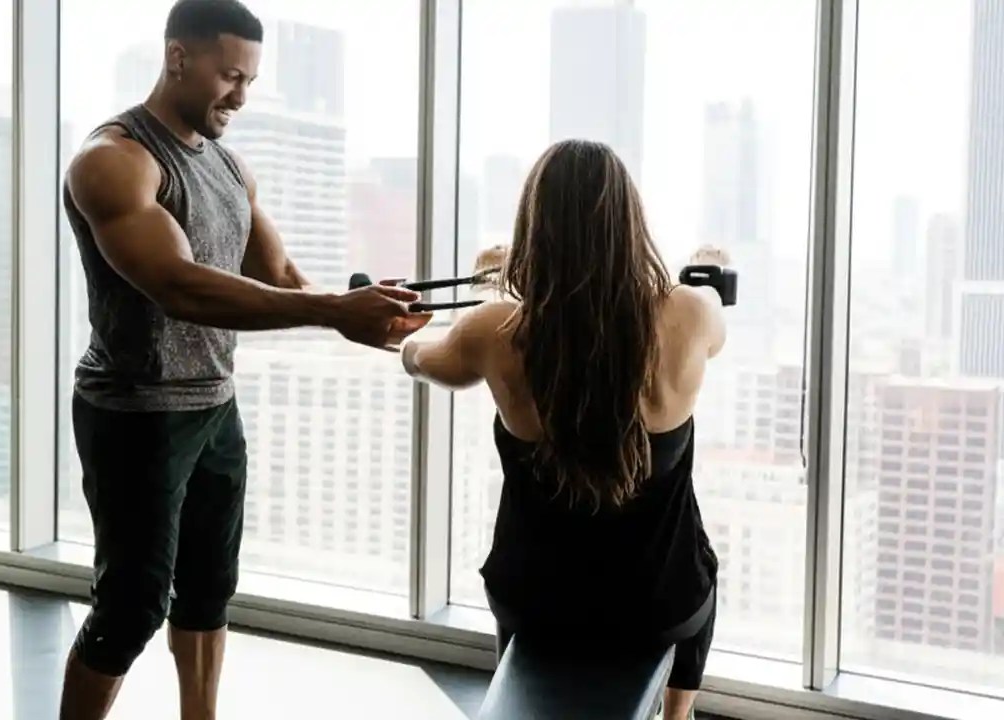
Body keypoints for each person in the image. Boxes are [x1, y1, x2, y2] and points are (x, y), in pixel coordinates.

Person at [57, 1, 429, 718]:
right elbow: (180, 286)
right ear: (176, 58)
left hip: (213, 405)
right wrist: (330, 311)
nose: (241, 97)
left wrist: (379, 324)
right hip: (135, 413)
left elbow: (280, 274)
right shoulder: (114, 161)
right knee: (131, 606)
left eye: (251, 81)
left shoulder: (228, 166)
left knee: (207, 587)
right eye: (230, 76)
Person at [399, 139, 727, 720]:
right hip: (657, 603)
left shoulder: (494, 329)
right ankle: (677, 714)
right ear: (631, 225)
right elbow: (708, 320)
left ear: (534, 226)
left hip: (537, 603)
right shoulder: (691, 314)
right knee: (697, 560)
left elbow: (423, 359)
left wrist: (475, 303)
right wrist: (707, 264)